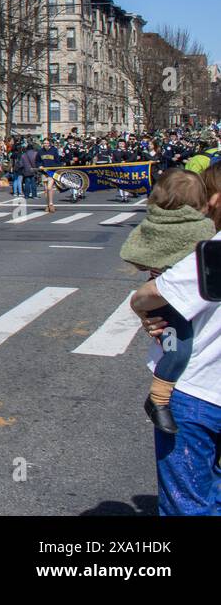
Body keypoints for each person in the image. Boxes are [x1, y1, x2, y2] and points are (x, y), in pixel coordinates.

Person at [130, 163, 221, 515]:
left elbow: (150, 295)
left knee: (189, 505)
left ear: (214, 200)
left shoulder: (210, 252)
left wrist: (141, 308)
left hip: (201, 393)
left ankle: (159, 398)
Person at [119, 168, 215, 434]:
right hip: (168, 300)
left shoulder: (197, 229)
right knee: (177, 347)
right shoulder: (203, 230)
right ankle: (158, 399)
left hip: (166, 298)